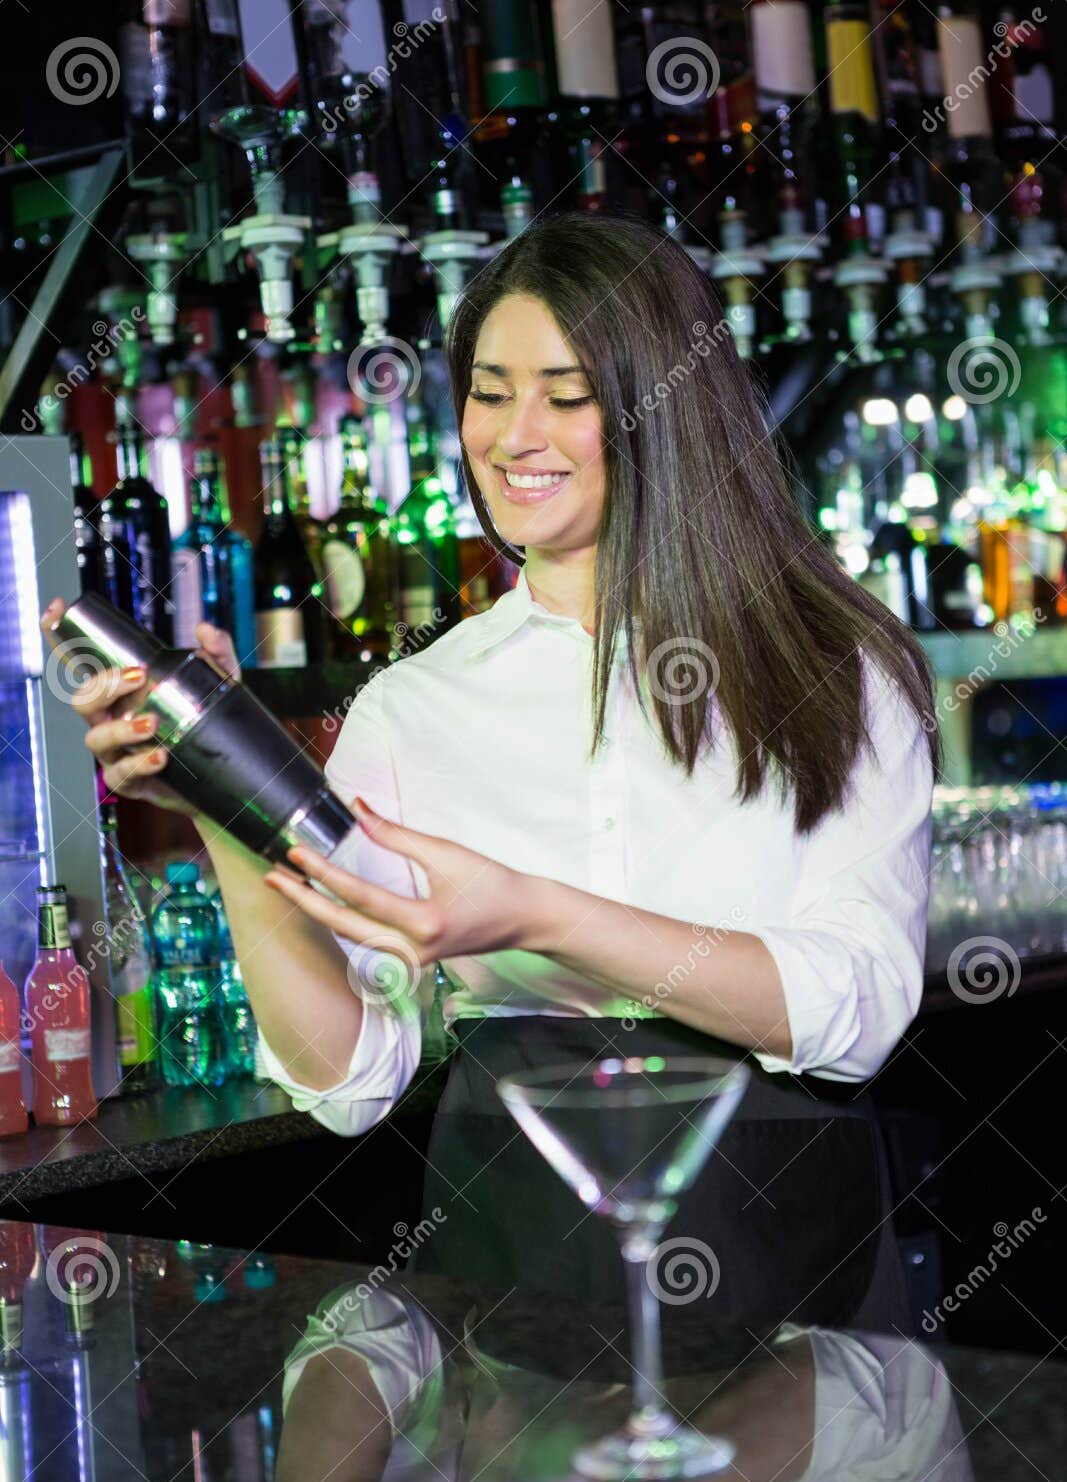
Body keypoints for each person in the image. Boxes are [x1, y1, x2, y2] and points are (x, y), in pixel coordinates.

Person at [47, 212, 939, 1331]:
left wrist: (532, 913)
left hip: (793, 1272)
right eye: (487, 389)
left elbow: (856, 1011)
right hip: (516, 1282)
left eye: (566, 395)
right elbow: (352, 1080)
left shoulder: (831, 669)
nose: (515, 434)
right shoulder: (416, 706)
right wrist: (221, 811)